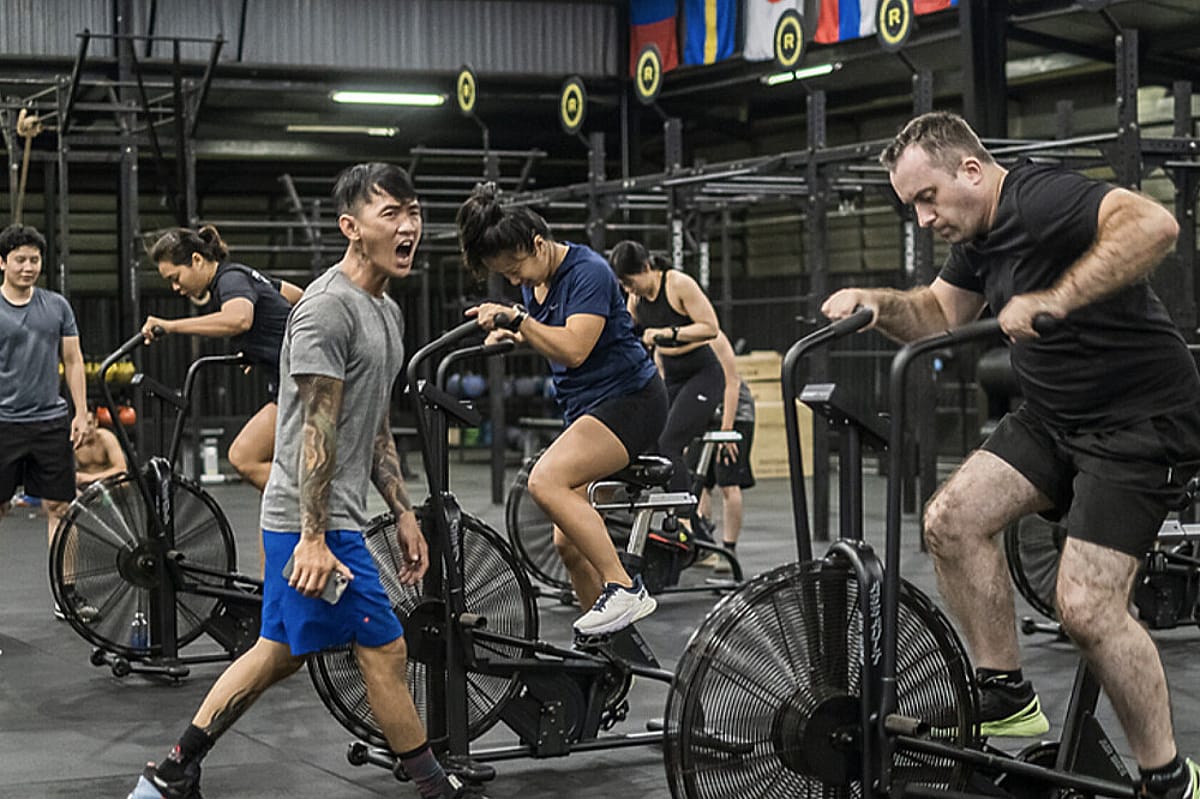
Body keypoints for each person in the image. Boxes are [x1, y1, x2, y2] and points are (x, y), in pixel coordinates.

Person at [822, 111, 1200, 798]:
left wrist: (1057, 296)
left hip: (1142, 421)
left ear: (971, 169)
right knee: (951, 519)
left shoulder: (1039, 197)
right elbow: (939, 315)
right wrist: (875, 304)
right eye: (912, 207)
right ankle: (1006, 692)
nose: (924, 218)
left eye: (928, 197)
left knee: (1086, 608)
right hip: (1054, 417)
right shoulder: (978, 238)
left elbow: (1154, 225)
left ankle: (1170, 775)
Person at [129, 163, 476, 799]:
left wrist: (402, 510)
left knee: (278, 651)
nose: (409, 227)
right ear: (351, 227)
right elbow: (315, 431)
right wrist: (314, 538)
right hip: (312, 522)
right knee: (385, 651)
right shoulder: (325, 308)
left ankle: (172, 772)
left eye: (415, 213)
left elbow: (370, 425)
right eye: (390, 214)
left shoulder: (386, 313)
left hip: (321, 517)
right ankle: (433, 786)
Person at [457, 184, 666, 637]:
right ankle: (609, 645)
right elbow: (552, 334)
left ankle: (625, 586)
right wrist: (516, 337)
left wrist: (518, 320)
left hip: (631, 402)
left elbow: (573, 349)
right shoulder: (539, 281)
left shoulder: (588, 271)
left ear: (537, 243)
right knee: (567, 545)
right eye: (506, 277)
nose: (516, 282)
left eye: (516, 269)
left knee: (545, 480)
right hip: (588, 407)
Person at [141, 225, 302, 491]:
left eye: (176, 277)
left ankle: (316, 510)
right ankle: (300, 518)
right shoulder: (240, 275)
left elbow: (239, 319)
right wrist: (261, 348)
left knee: (245, 457)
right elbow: (298, 297)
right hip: (286, 386)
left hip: (302, 388)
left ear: (196, 260)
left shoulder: (230, 280)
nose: (175, 287)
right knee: (248, 457)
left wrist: (170, 326)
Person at [0, 223, 90, 615]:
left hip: (50, 421)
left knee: (61, 508)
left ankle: (66, 595)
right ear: (2, 263)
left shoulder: (56, 306)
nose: (28, 266)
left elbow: (73, 360)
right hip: (3, 422)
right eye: (20, 259)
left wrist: (81, 412)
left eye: (34, 259)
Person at [607, 241, 720, 531]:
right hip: (671, 376)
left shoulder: (678, 284)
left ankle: (685, 523)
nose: (630, 290)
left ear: (647, 268)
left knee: (670, 442)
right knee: (650, 442)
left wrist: (666, 333)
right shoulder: (636, 298)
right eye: (625, 285)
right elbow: (624, 328)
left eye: (632, 282)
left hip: (702, 374)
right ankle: (686, 522)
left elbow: (710, 327)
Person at [692, 330, 755, 573]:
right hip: (704, 410)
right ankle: (705, 542)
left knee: (728, 481)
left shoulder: (712, 337)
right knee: (698, 480)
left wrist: (727, 431)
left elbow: (732, 382)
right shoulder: (667, 341)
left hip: (735, 413)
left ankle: (729, 549)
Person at [74, 408, 128, 488]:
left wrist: (91, 478)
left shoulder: (106, 438)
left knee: (123, 480)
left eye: (89, 424)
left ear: (96, 423)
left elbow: (121, 468)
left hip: (108, 483)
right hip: (85, 488)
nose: (86, 429)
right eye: (82, 425)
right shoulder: (73, 442)